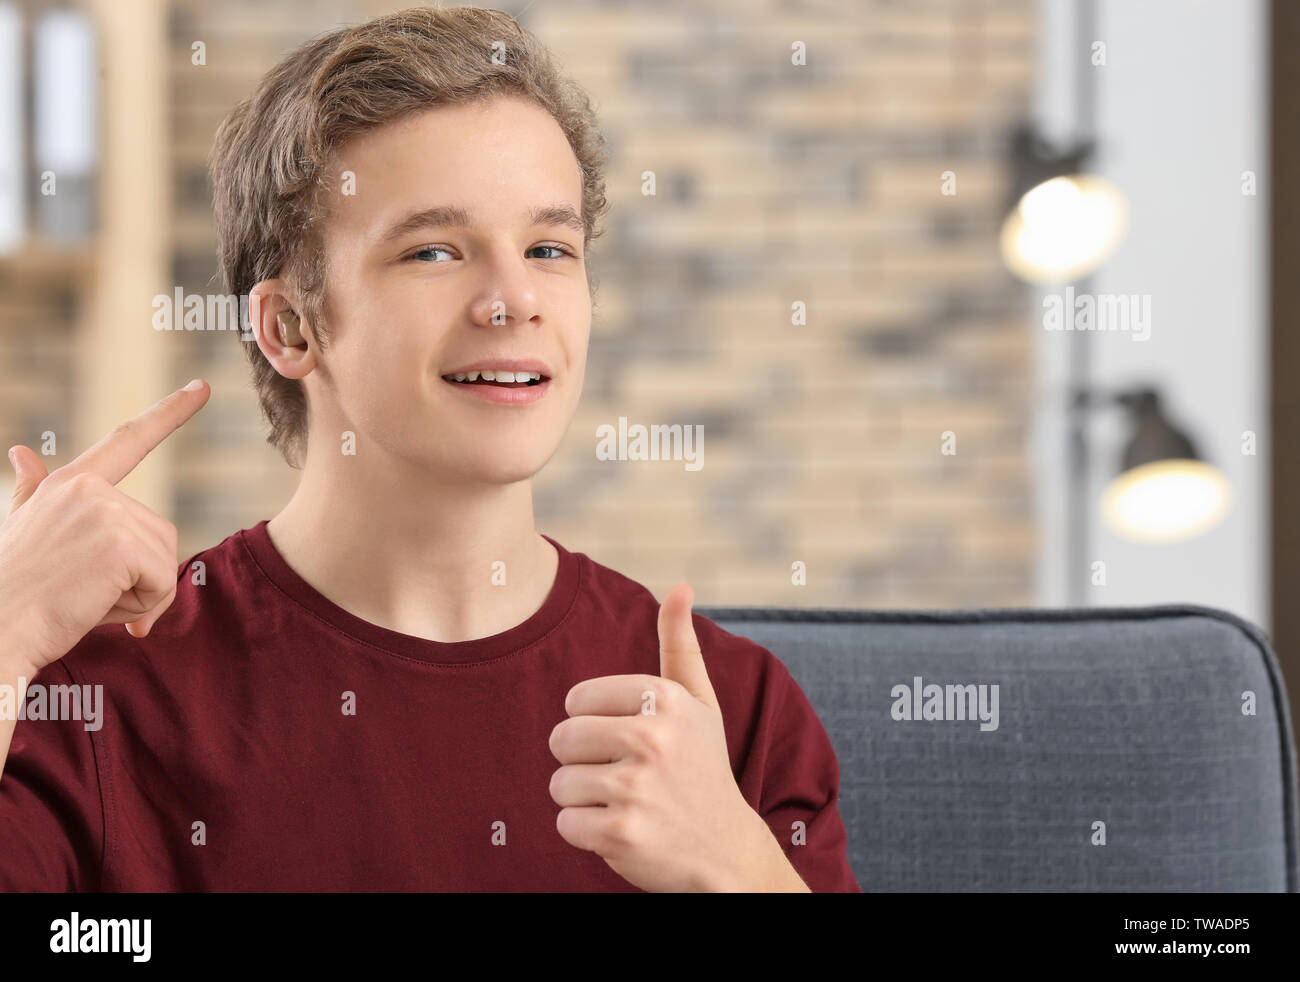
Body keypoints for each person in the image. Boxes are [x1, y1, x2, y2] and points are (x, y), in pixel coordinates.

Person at [0, 5, 859, 892]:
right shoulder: (92, 699)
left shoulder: (725, 710)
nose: (514, 298)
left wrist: (742, 870)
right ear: (290, 325)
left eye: (549, 247)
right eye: (435, 251)